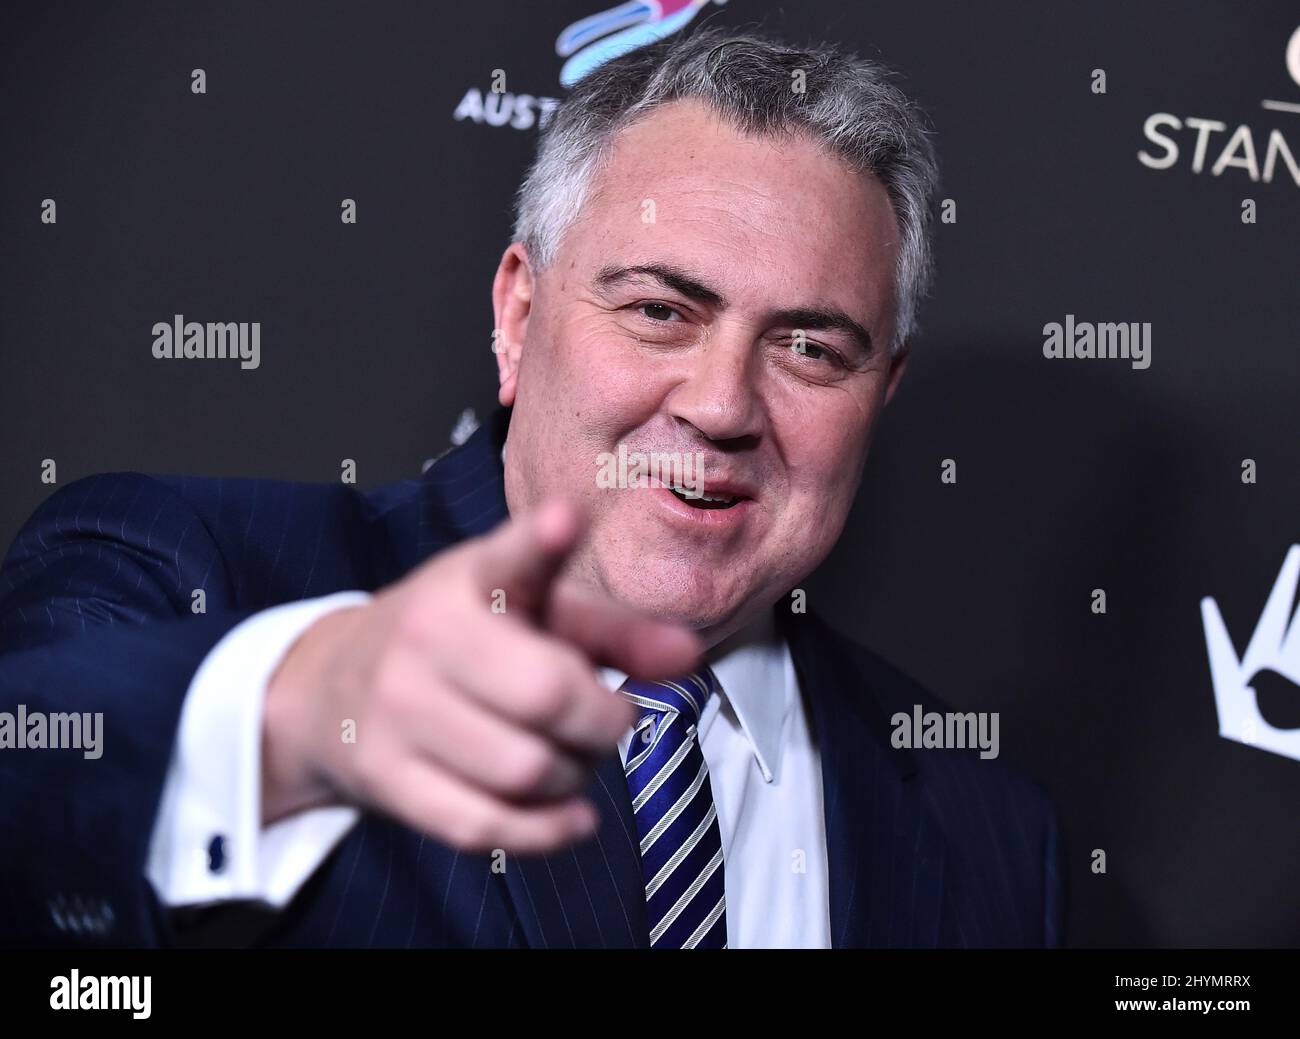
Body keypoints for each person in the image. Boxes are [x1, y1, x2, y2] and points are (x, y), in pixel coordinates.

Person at [0, 28, 1063, 948]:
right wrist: (295, 708)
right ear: (517, 315)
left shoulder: (990, 834)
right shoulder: (197, 569)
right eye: (659, 310)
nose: (722, 404)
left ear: (881, 391)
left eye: (809, 348)